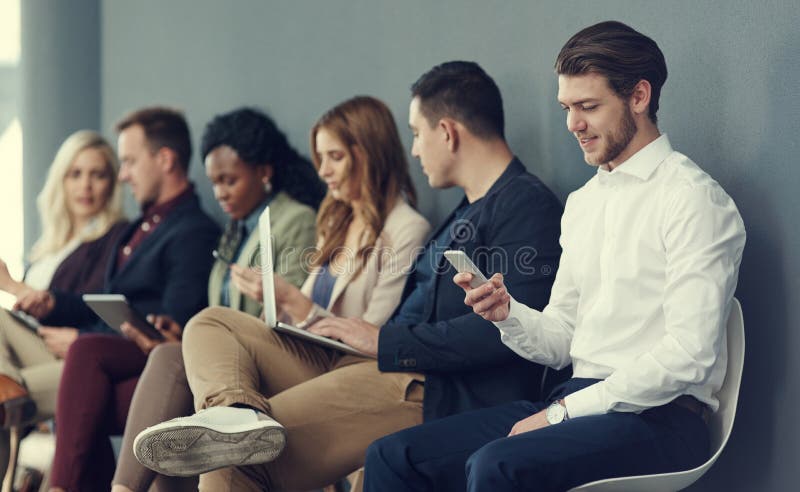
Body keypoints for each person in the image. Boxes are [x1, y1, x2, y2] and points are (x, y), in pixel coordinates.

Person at [134, 63, 564, 492]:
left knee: (232, 457)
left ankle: (234, 432)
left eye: (417, 133)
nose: (414, 150)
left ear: (447, 132)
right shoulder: (463, 212)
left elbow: (509, 331)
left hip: (429, 386)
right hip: (377, 364)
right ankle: (233, 410)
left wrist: (381, 340)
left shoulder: (524, 205)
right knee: (210, 323)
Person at [363, 21, 747, 492]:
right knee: (393, 456)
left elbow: (689, 356)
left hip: (661, 419)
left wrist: (563, 413)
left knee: (497, 465)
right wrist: (507, 315)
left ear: (639, 97)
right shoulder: (584, 204)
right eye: (566, 108)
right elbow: (562, 339)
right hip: (576, 400)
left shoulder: (692, 199)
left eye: (588, 106)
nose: (573, 124)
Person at [45, 107, 323, 492]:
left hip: (254, 364)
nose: (220, 193)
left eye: (229, 180)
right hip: (215, 356)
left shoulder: (293, 221)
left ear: (263, 172)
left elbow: (281, 319)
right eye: (215, 182)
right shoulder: (235, 230)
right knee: (107, 391)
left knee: (104, 367)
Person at [9, 106, 220, 489]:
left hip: (150, 351)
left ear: (165, 159)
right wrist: (53, 302)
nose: (124, 175)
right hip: (113, 347)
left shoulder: (192, 230)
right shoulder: (142, 227)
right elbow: (102, 302)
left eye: (128, 162)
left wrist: (83, 335)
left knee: (86, 353)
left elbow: (173, 319)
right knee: (86, 367)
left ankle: (61, 486)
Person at [0, 130, 128, 475]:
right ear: (62, 180)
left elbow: (92, 305)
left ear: (112, 182)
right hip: (33, 352)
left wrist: (12, 284)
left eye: (97, 175)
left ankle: (7, 388)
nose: (85, 186)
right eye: (76, 174)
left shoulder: (116, 239)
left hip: (71, 353)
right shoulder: (46, 247)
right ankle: (5, 384)